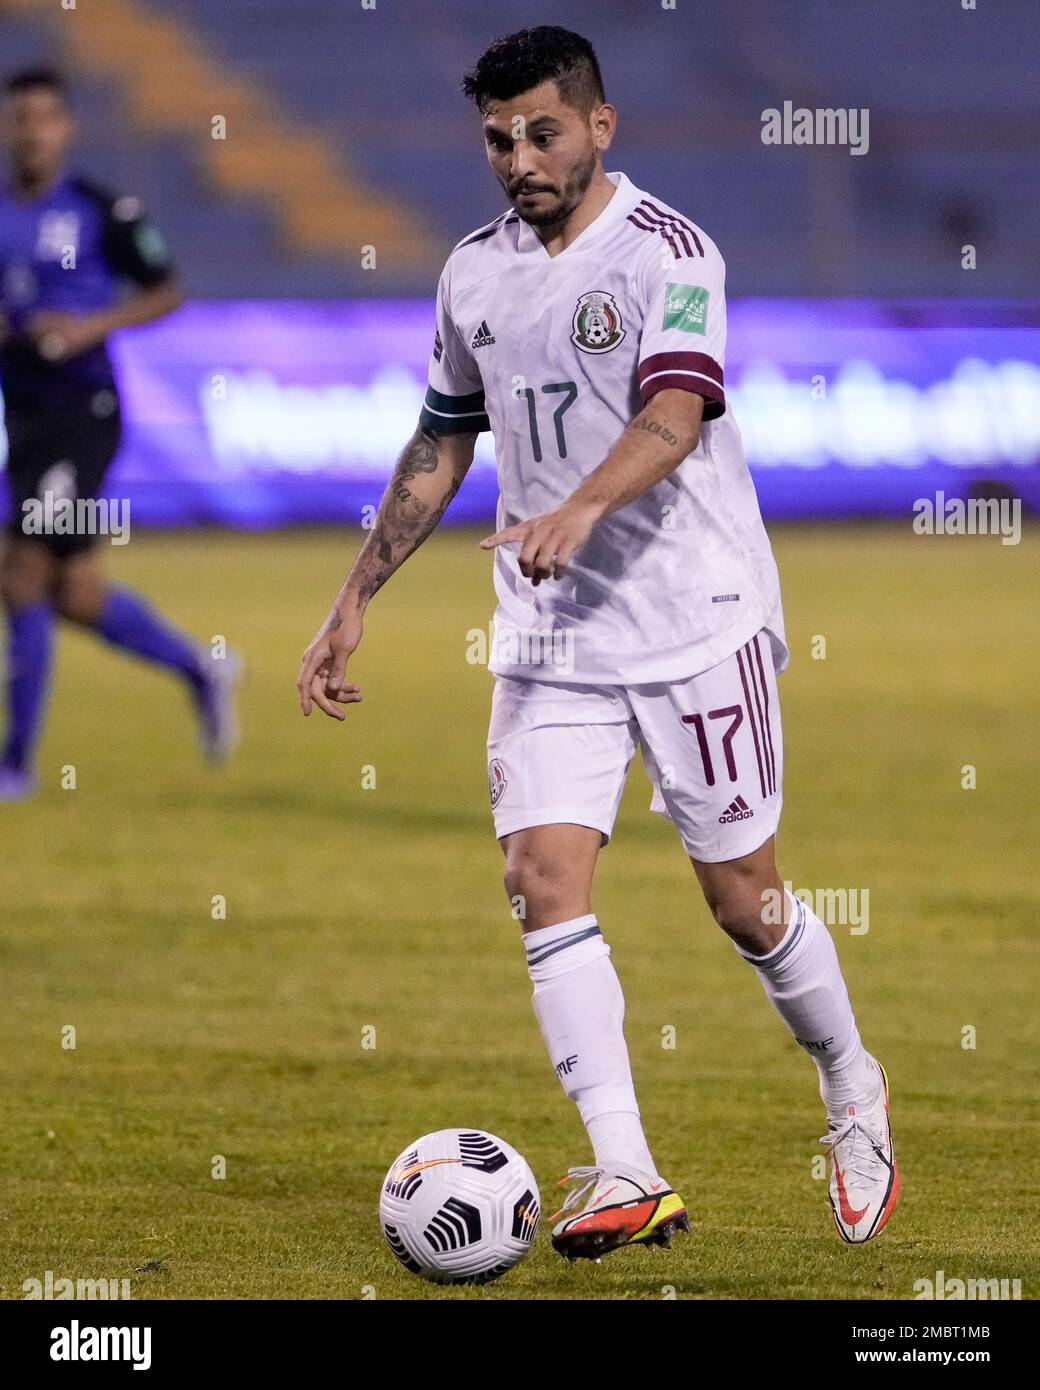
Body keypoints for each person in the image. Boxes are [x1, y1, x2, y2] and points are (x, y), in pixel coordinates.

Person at [297, 26, 898, 1261]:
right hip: (550, 630)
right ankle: (623, 1165)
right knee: (539, 881)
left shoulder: (671, 254)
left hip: (693, 620)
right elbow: (441, 440)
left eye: (540, 131)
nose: (517, 157)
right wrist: (355, 592)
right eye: (497, 139)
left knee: (744, 900)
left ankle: (852, 1089)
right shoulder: (470, 271)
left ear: (599, 125)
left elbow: (674, 413)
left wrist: (577, 505)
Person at [0, 67, 240, 800]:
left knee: (21, 569)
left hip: (86, 412)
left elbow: (165, 288)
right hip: (26, 417)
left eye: (45, 117)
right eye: (19, 118)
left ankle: (15, 765)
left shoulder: (102, 209)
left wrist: (87, 327)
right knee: (73, 592)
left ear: (65, 128)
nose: (32, 130)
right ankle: (199, 666)